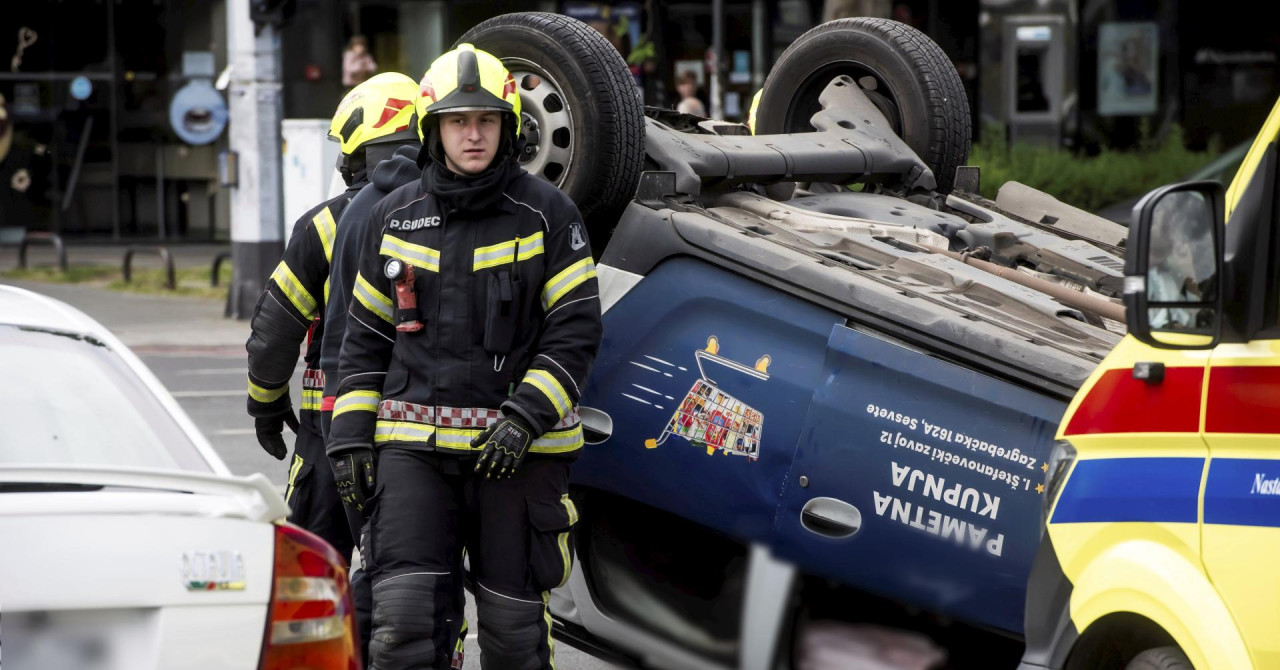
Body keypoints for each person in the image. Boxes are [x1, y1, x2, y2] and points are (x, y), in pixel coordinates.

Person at [326, 43, 603, 670]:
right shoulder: (394, 217)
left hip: (517, 457)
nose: (472, 134)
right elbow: (365, 338)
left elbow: (575, 330)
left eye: (485, 120)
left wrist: (525, 416)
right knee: (401, 631)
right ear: (433, 129)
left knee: (512, 637)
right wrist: (348, 439)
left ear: (508, 127)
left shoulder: (549, 216)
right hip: (413, 457)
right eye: (457, 121)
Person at [244, 72, 419, 575]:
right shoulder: (453, 216)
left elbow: (275, 329)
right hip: (425, 427)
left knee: (314, 572)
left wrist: (266, 400)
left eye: (349, 151)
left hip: (332, 426)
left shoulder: (325, 225)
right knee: (418, 578)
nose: (343, 163)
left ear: (367, 151)